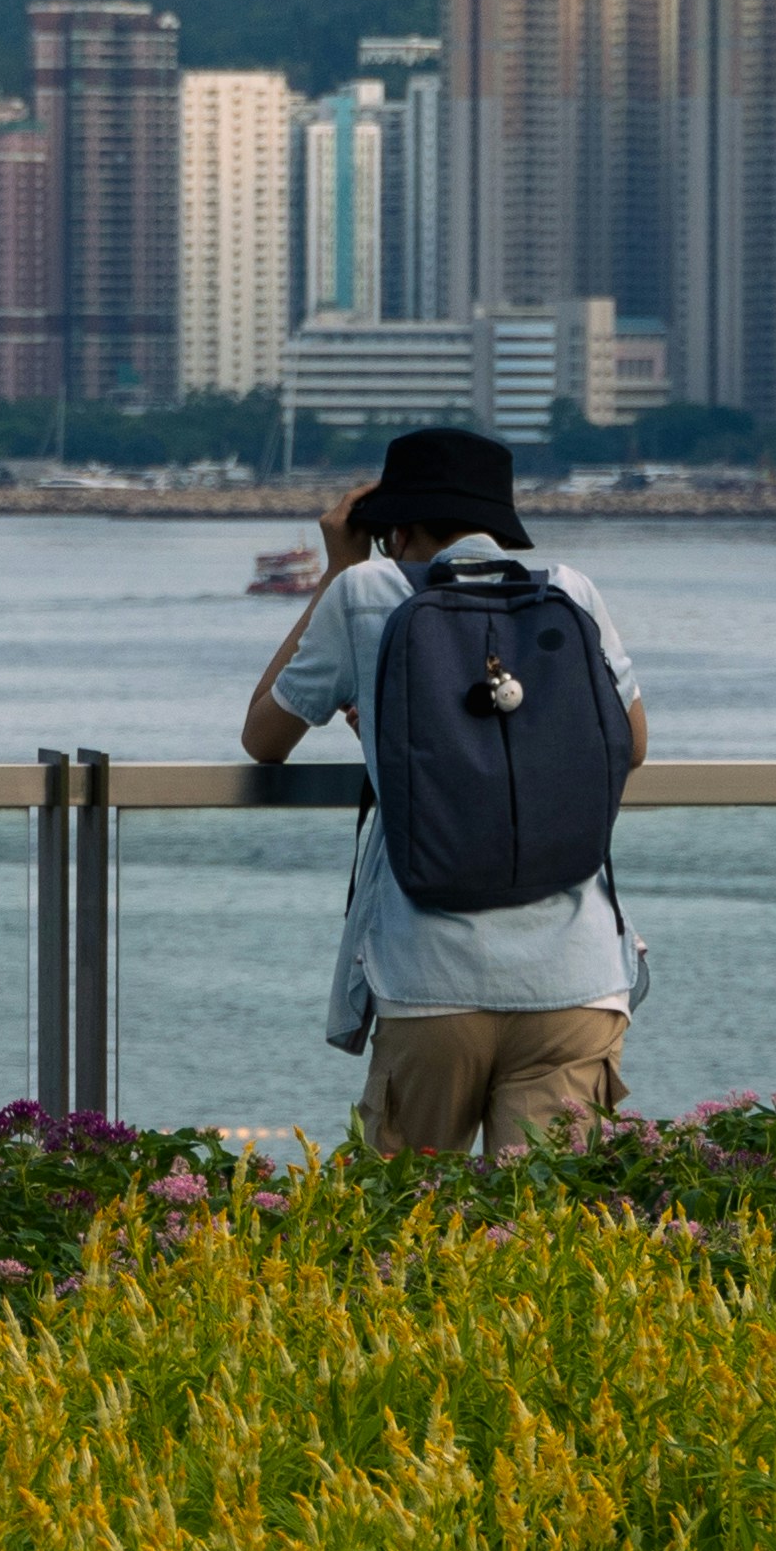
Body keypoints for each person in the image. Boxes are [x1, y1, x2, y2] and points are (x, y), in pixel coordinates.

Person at [238, 424, 650, 1157]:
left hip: (431, 979)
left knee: (403, 1232)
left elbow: (264, 739)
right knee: (543, 1241)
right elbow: (633, 743)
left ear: (394, 526)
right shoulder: (569, 590)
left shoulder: (366, 592)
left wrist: (339, 566)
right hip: (579, 978)